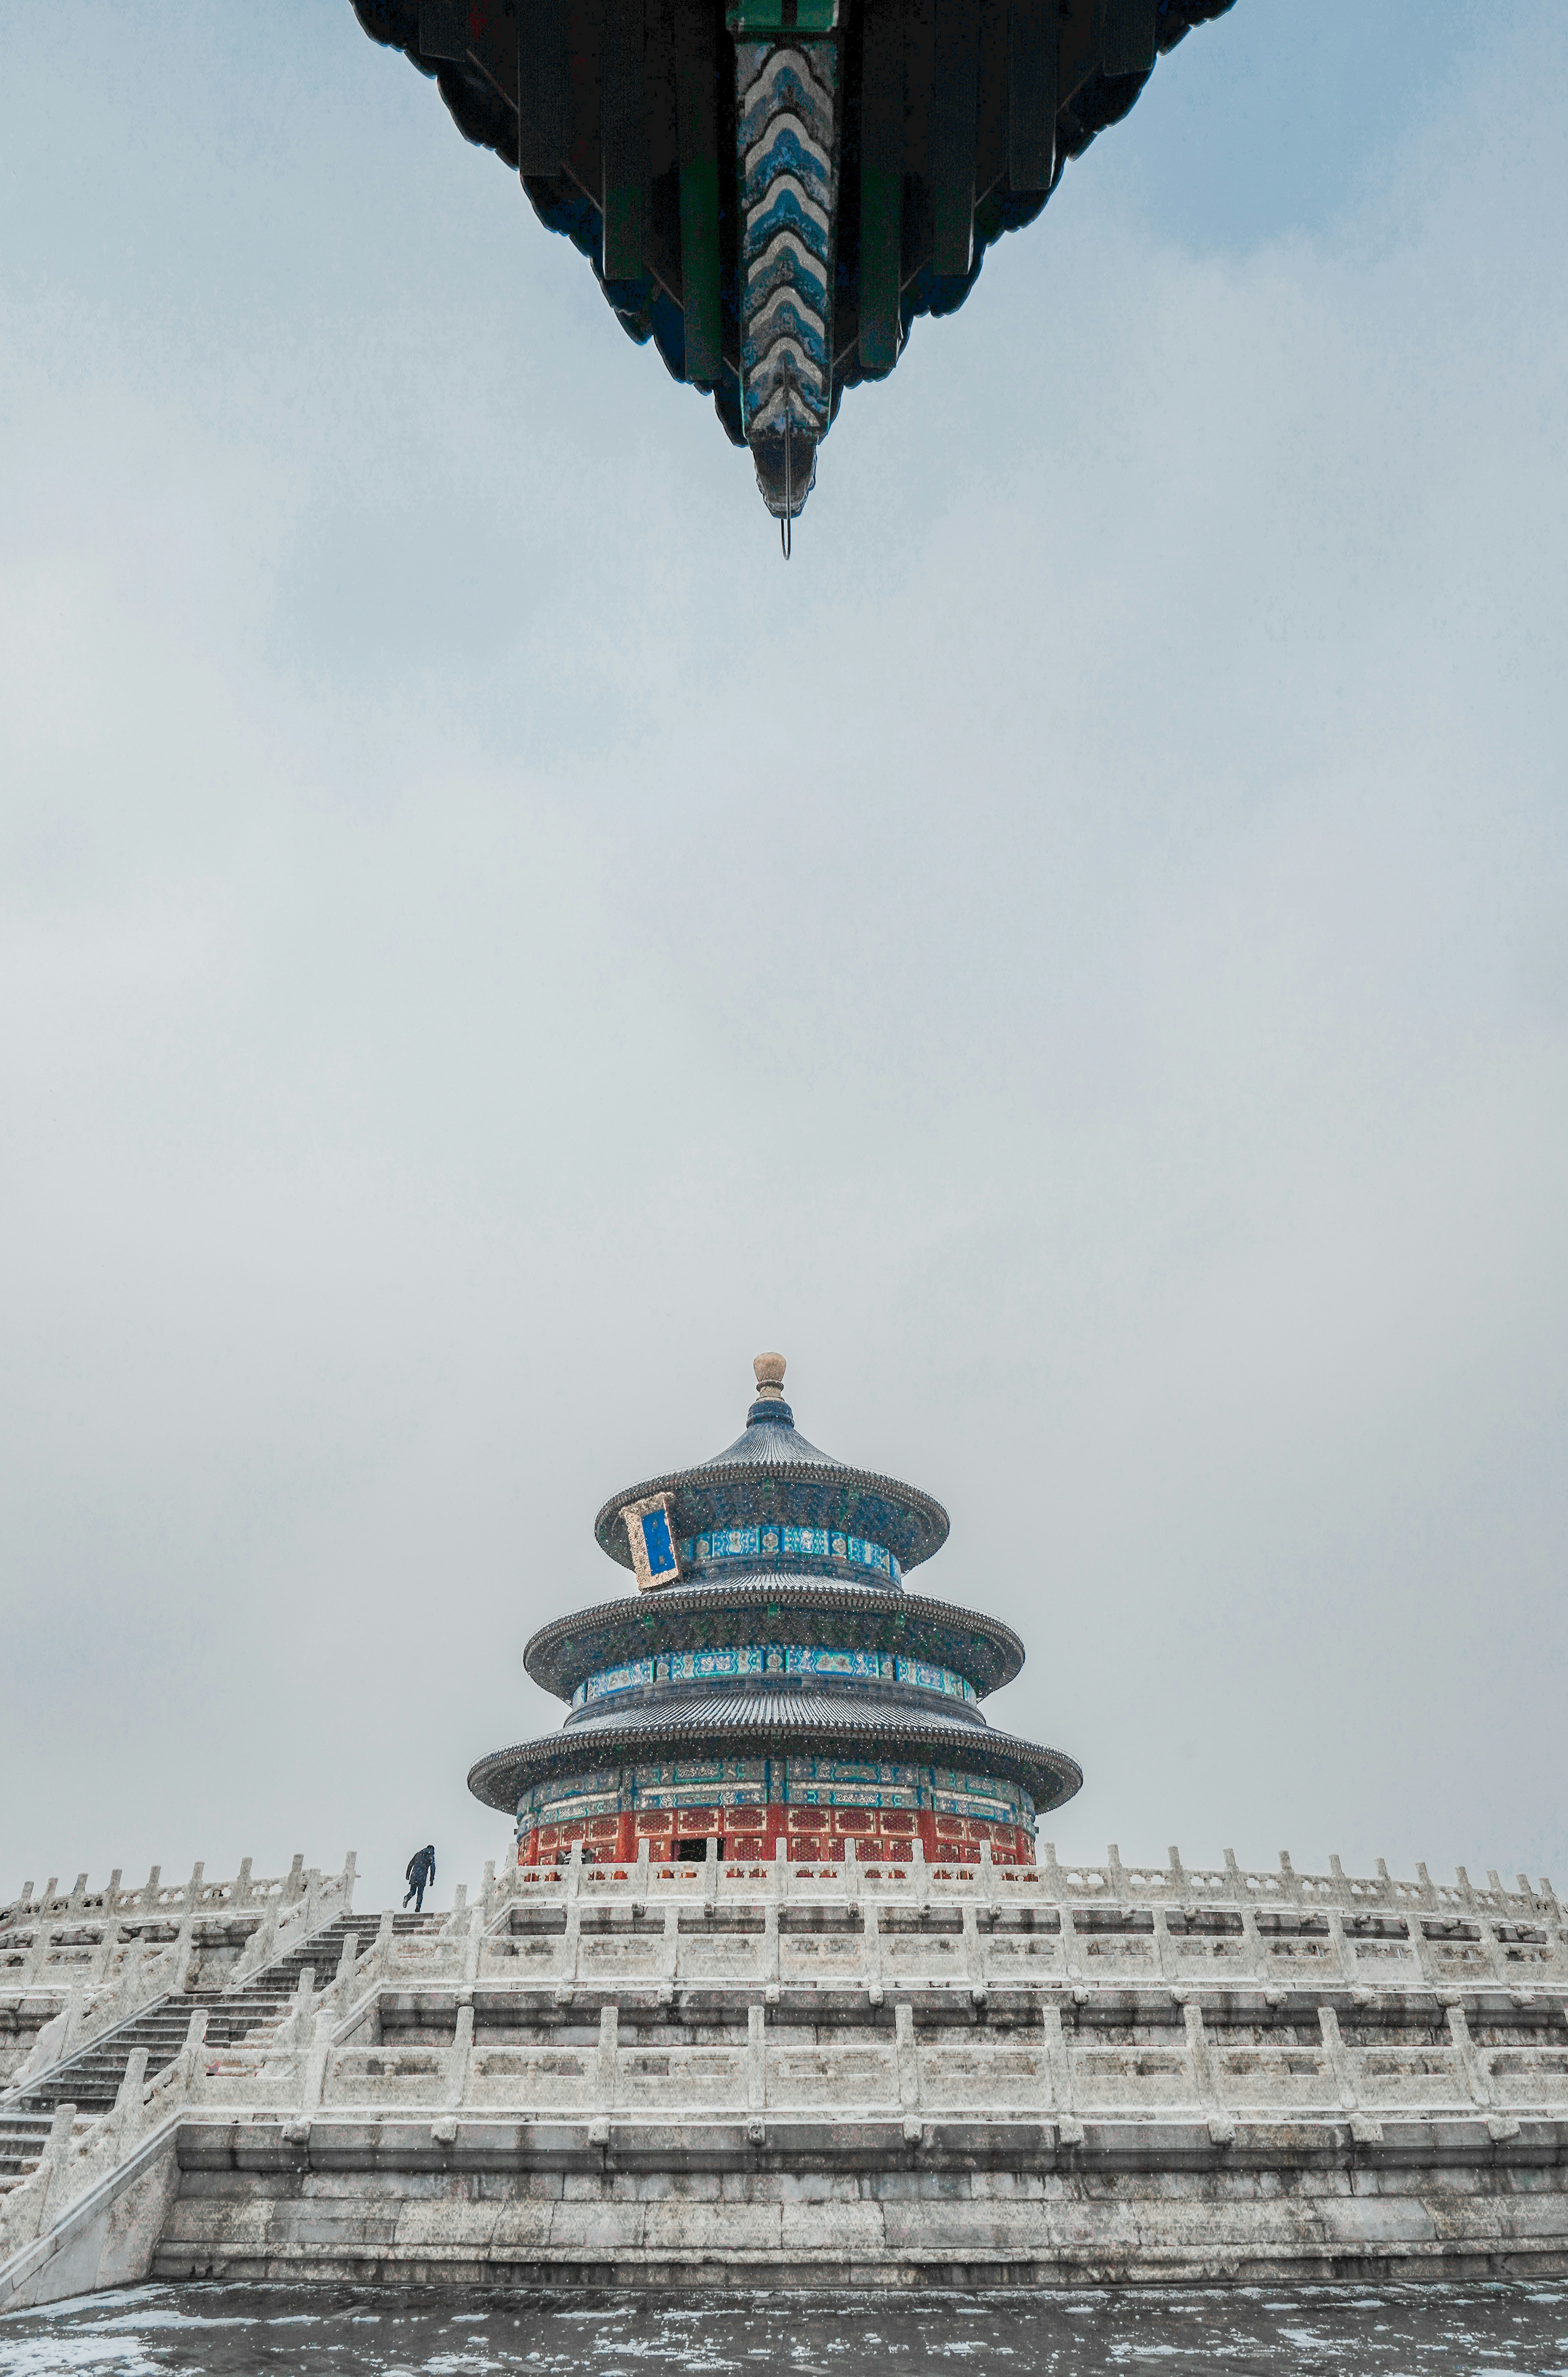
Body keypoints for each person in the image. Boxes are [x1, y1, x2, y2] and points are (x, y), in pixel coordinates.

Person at [404, 1843, 436, 1912]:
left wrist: (408, 1875)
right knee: (420, 1893)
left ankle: (407, 1898)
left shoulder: (418, 1854)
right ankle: (418, 1907)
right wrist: (431, 1879)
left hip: (414, 1876)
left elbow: (411, 1864)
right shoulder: (431, 1856)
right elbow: (433, 1868)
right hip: (422, 1877)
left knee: (413, 1892)